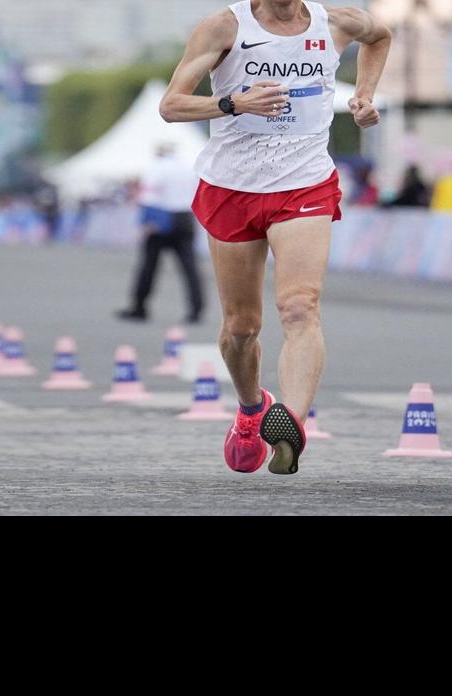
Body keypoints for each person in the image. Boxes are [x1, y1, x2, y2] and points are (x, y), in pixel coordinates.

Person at [160, 0, 391, 476]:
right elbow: (171, 106)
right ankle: (250, 410)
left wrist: (364, 96)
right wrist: (233, 103)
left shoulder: (338, 22)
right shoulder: (224, 27)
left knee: (300, 305)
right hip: (232, 186)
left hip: (304, 184)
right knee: (241, 328)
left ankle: (292, 424)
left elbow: (380, 36)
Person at [117, 142, 206, 325]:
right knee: (189, 267)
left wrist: (147, 220)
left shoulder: (156, 167)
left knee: (149, 265)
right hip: (185, 217)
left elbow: (150, 195)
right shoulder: (187, 167)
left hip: (162, 217)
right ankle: (196, 309)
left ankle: (139, 306)